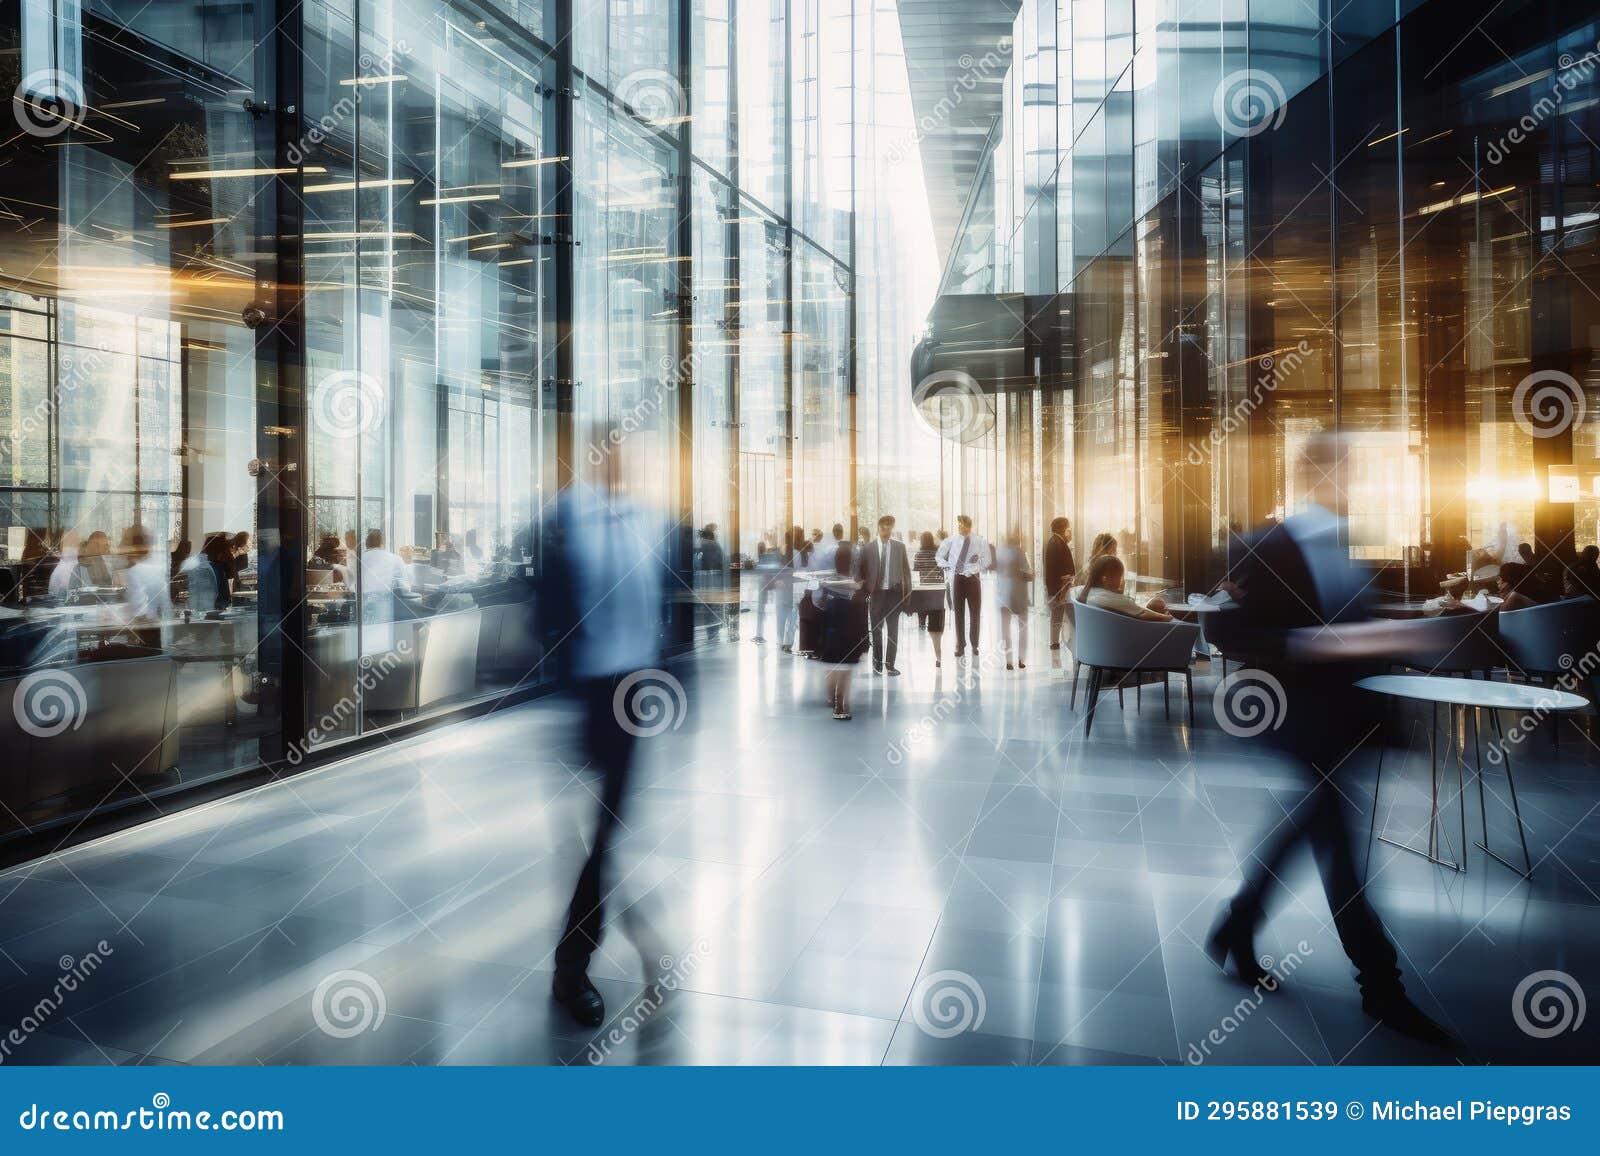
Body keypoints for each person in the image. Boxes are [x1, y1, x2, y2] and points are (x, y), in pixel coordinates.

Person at [1205, 433, 1455, 1049]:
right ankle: (1382, 986)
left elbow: (1349, 624)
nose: (1357, 481)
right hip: (1304, 722)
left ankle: (1238, 925)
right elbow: (1225, 625)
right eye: (1350, 468)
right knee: (1341, 853)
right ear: (1317, 471)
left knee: (1310, 829)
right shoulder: (1265, 546)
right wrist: (1319, 644)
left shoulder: (1344, 548)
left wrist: (1390, 631)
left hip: (1348, 724)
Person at [538, 428, 667, 1029]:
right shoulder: (567, 517)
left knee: (607, 832)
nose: (622, 462)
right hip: (592, 691)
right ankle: (572, 968)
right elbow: (547, 605)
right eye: (612, 451)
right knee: (604, 835)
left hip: (634, 692)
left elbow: (655, 601)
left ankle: (581, 954)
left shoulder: (648, 517)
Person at [813, 541, 867, 719]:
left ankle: (832, 698)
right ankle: (841, 705)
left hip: (830, 628)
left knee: (832, 666)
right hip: (850, 629)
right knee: (845, 669)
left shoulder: (826, 582)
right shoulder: (856, 585)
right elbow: (860, 609)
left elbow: (817, 602)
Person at [854, 514, 912, 676]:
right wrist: (863, 586)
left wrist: (907, 594)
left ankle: (890, 665)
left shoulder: (899, 547)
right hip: (877, 593)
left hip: (894, 594)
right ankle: (877, 663)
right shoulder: (868, 548)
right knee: (877, 630)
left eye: (889, 528)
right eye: (883, 528)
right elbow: (858, 570)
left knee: (893, 631)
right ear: (878, 528)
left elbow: (906, 571)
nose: (886, 531)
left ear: (892, 528)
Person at [935, 514, 990, 659]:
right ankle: (960, 644)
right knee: (958, 613)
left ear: (969, 526)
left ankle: (974, 644)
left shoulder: (979, 541)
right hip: (957, 579)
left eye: (962, 525)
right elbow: (938, 556)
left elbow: (987, 560)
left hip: (973, 579)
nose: (959, 527)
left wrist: (973, 567)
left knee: (975, 613)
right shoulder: (951, 541)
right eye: (958, 524)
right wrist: (949, 566)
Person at [1076, 554, 1172, 621]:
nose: (1123, 580)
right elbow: (1142, 613)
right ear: (1105, 579)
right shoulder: (1113, 599)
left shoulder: (1085, 592)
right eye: (1120, 576)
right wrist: (1167, 617)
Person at [995, 528, 1034, 670]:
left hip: (1003, 595)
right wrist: (1030, 575)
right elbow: (1027, 571)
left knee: (1005, 628)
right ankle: (1021, 659)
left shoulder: (999, 552)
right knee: (1022, 627)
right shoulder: (1019, 551)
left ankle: (1008, 661)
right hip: (1019, 593)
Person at [912, 530, 947, 668]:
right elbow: (942, 571)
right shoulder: (937, 554)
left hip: (923, 590)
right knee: (936, 621)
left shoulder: (918, 555)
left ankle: (922, 620)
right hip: (937, 590)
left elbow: (915, 571)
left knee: (923, 607)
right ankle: (938, 655)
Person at [1043, 516, 1075, 651]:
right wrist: (1062, 583)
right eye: (1068, 527)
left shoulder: (1057, 541)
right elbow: (1054, 569)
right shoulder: (1056, 543)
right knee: (1059, 615)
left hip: (1059, 587)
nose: (1069, 530)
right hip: (1059, 588)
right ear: (1063, 528)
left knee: (1060, 615)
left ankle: (1056, 641)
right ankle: (1056, 642)